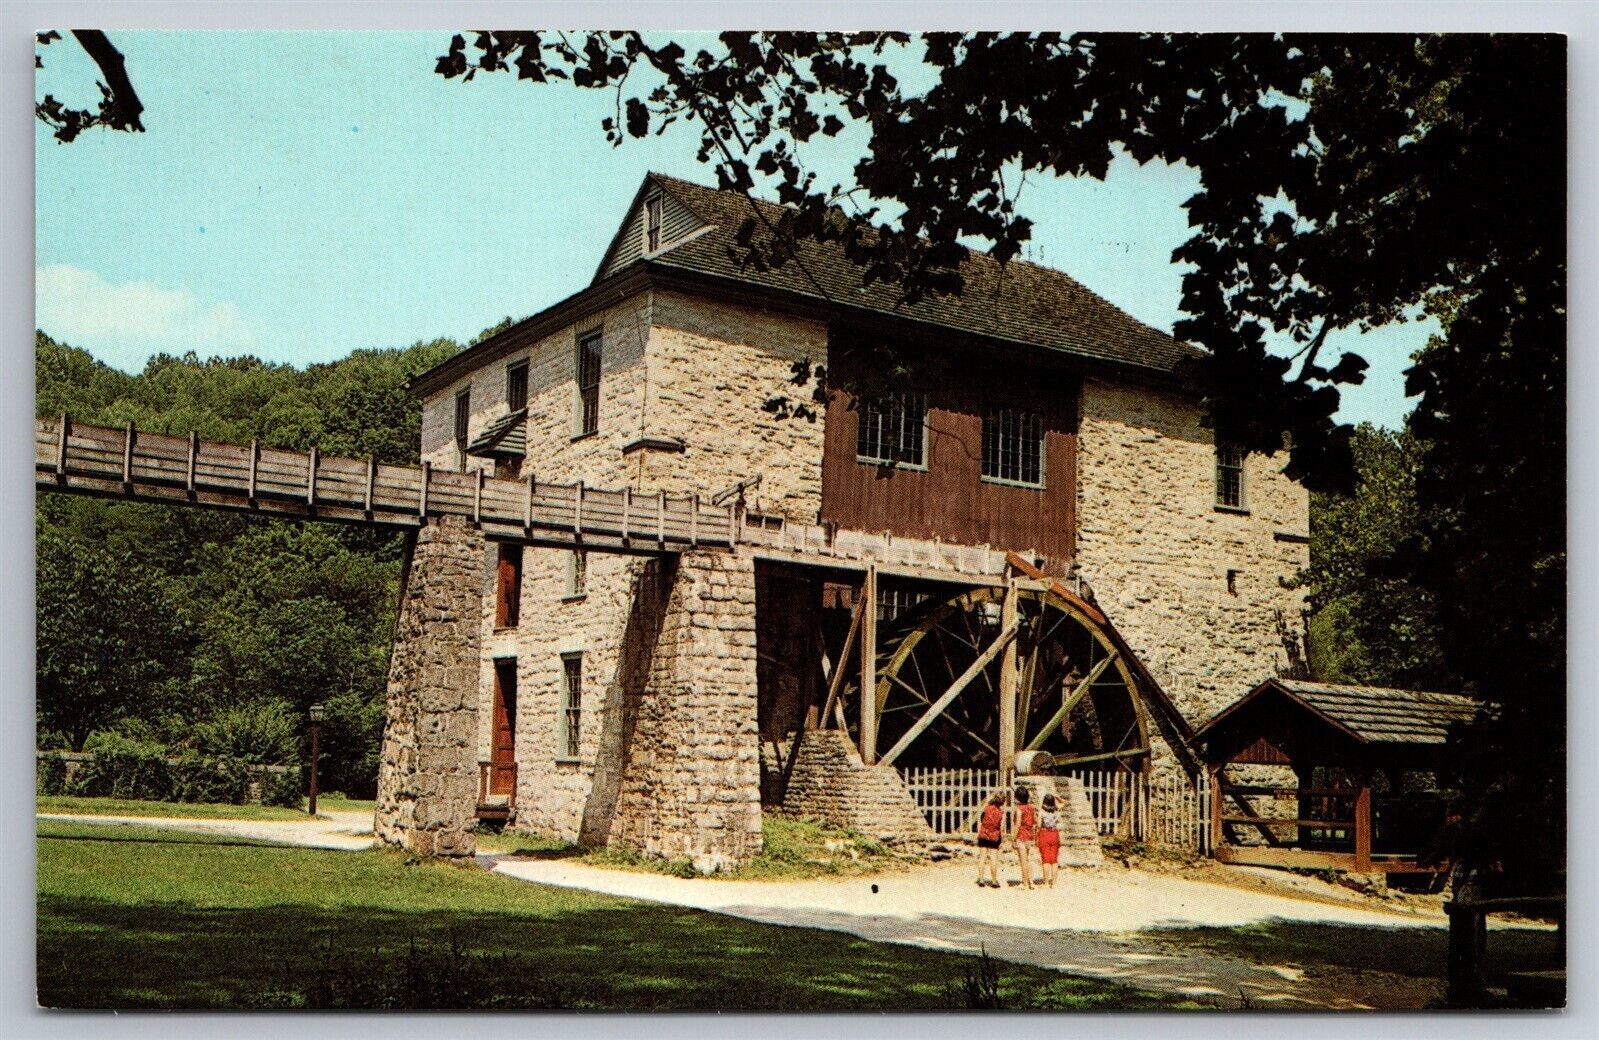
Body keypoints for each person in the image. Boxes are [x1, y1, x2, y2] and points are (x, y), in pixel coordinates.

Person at [975, 789, 1006, 888]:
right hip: (994, 835)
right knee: (993, 858)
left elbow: (981, 819)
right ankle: (993, 880)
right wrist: (1002, 839)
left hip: (984, 833)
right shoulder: (1001, 812)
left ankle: (981, 879)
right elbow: (1001, 827)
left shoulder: (986, 807)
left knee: (982, 857)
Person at [1012, 785, 1038, 890]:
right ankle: (1031, 881)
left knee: (1023, 861)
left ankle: (1024, 883)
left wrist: (1013, 838)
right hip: (1029, 836)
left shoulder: (1019, 810)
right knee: (1027, 860)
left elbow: (1017, 825)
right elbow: (1036, 821)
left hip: (1021, 836)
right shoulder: (1031, 808)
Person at [1037, 792, 1061, 888]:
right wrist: (1057, 796)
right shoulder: (1056, 810)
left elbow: (1039, 825)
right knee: (1054, 860)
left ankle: (1046, 882)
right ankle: (1054, 882)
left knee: (1046, 860)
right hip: (1054, 833)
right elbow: (1064, 802)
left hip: (1044, 833)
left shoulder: (1041, 812)